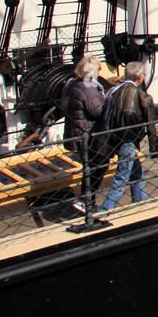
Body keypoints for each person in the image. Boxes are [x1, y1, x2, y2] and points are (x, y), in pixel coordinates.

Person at [96, 62, 157, 212]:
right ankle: (105, 210)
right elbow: (150, 124)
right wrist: (154, 148)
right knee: (121, 177)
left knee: (136, 172)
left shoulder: (113, 90)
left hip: (113, 138)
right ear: (141, 77)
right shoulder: (141, 95)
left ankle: (141, 203)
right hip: (127, 140)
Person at [63, 56, 105, 213]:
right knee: (97, 165)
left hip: (78, 130)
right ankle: (86, 201)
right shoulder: (88, 85)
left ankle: (87, 201)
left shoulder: (76, 83)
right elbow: (96, 110)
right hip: (86, 133)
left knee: (92, 166)